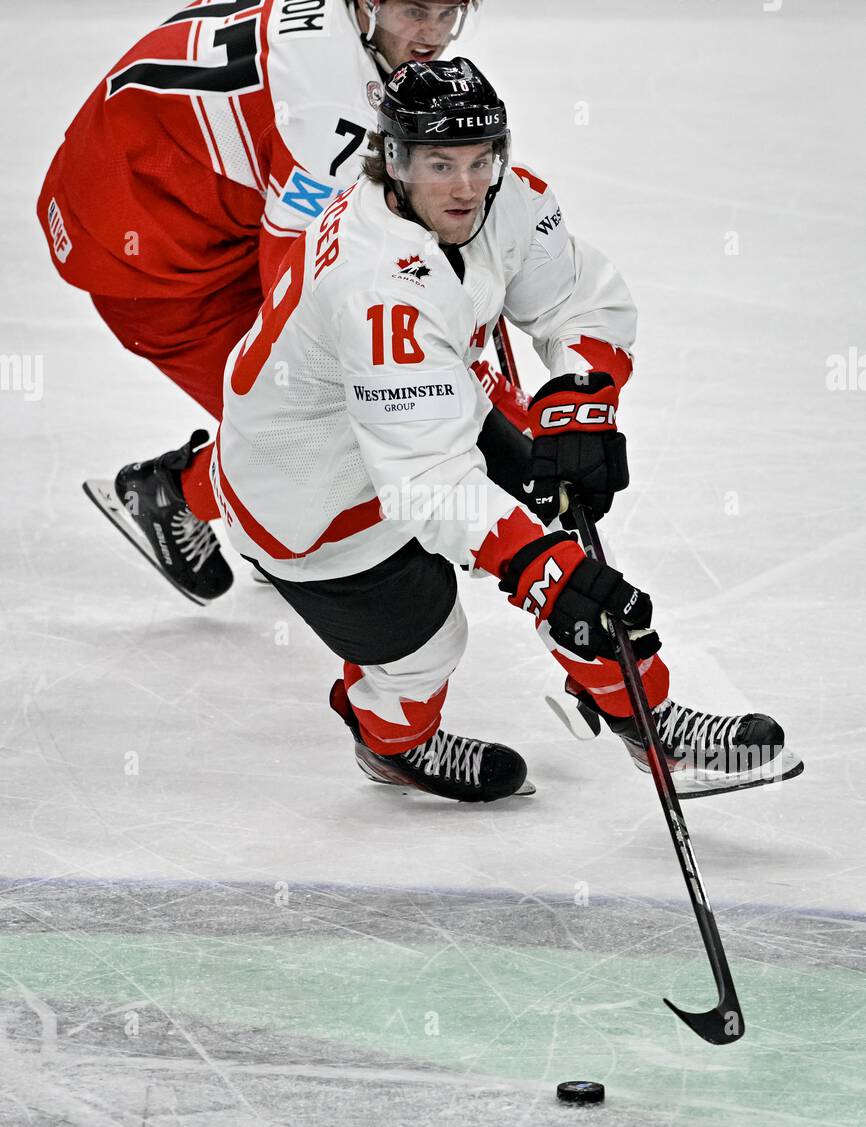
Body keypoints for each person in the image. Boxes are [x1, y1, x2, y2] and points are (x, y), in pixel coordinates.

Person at [212, 56, 804, 803]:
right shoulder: (377, 288)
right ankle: (391, 741)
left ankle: (653, 728)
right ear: (392, 160)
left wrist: (580, 397)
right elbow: (429, 486)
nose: (465, 186)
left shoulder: (502, 201)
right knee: (431, 646)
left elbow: (576, 301)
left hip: (410, 412)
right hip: (313, 494)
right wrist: (546, 577)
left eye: (478, 159)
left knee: (563, 547)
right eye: (439, 163)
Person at [37, 0, 505, 604]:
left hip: (163, 171)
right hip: (141, 243)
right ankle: (170, 496)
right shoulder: (329, 115)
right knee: (312, 421)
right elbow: (301, 313)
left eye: (449, 14)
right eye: (415, 12)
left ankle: (236, 500)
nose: (433, 36)